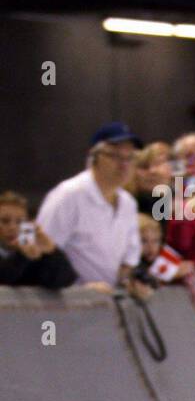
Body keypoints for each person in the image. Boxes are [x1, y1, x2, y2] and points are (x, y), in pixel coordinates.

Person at [36, 122, 150, 297]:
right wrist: (80, 291)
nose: (124, 164)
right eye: (115, 156)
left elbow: (128, 260)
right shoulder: (69, 195)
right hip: (65, 304)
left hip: (106, 305)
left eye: (130, 158)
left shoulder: (128, 204)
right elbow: (40, 253)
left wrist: (130, 282)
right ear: (94, 158)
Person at [0, 191, 77, 289]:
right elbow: (4, 279)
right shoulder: (24, 256)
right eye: (5, 221)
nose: (12, 227)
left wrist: (52, 252)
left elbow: (65, 280)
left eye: (19, 222)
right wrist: (22, 256)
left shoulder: (33, 254)